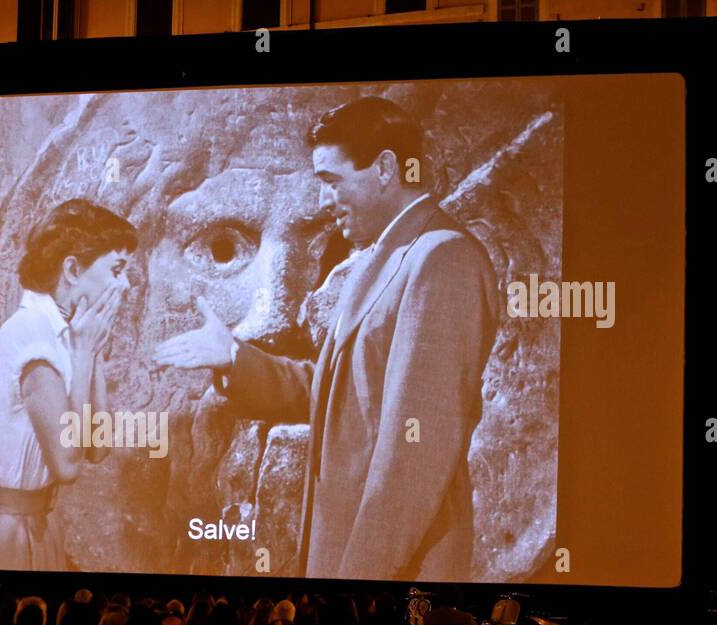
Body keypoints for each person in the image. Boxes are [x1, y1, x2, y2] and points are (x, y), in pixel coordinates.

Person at [154, 96, 497, 582]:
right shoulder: (387, 255)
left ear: (385, 169)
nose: (323, 200)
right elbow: (338, 393)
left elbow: (415, 454)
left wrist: (353, 581)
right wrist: (233, 357)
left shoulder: (442, 260)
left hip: (390, 571)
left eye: (332, 181)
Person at [0, 198, 135, 572]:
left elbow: (97, 448)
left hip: (38, 527)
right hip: (6, 537)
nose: (125, 284)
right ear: (73, 269)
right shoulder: (33, 336)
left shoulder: (67, 335)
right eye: (117, 270)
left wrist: (94, 352)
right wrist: (84, 354)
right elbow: (67, 466)